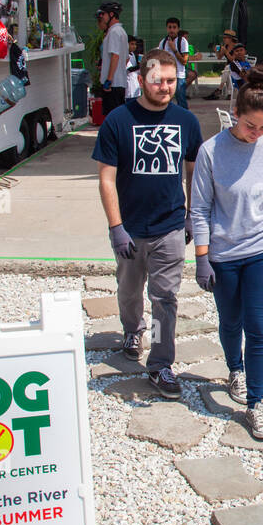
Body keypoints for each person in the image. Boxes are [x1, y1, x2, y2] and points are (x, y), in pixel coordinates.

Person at [190, 64, 263, 440]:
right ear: (235, 113)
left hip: (262, 250)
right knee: (230, 321)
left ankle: (255, 404)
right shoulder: (211, 151)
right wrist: (202, 257)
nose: (256, 134)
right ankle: (234, 369)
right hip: (223, 253)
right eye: (250, 126)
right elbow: (200, 209)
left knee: (258, 327)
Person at [93, 48, 203, 397]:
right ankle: (132, 329)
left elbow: (193, 173)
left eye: (171, 81)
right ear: (141, 80)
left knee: (164, 298)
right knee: (129, 291)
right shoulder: (118, 121)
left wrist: (192, 216)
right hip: (130, 228)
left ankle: (160, 363)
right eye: (158, 81)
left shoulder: (187, 122)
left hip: (169, 227)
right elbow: (106, 179)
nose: (165, 87)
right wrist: (116, 227)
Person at [96, 1, 129, 116]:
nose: (102, 17)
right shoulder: (121, 31)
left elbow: (115, 56)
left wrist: (109, 80)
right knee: (118, 116)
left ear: (111, 14)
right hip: (119, 82)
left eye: (104, 14)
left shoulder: (114, 32)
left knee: (112, 117)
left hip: (113, 85)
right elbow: (126, 59)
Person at [157, 17, 191, 110]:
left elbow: (184, 61)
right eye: (170, 27)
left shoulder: (182, 41)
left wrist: (174, 49)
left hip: (179, 75)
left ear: (178, 29)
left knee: (181, 100)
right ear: (167, 28)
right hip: (166, 76)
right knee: (166, 100)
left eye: (174, 27)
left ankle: (184, 117)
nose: (172, 30)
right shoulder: (163, 42)